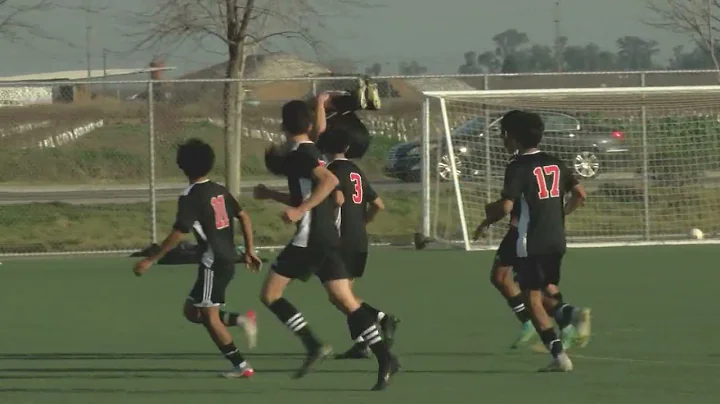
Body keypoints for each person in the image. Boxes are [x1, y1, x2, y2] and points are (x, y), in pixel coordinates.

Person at [253, 100, 400, 391]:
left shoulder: (302, 156)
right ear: (309, 126)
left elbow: (329, 182)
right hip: (329, 237)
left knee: (270, 295)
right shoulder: (315, 152)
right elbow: (332, 194)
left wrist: (299, 211)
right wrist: (274, 195)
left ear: (283, 126)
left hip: (309, 238)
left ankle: (313, 345)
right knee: (346, 301)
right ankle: (386, 358)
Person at [133, 138, 263, 378]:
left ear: (182, 166)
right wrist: (250, 250)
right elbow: (244, 216)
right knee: (191, 312)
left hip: (213, 262)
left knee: (209, 317)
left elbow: (179, 232)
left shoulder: (190, 196)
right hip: (226, 258)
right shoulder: (219, 189)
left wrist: (152, 259)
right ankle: (242, 320)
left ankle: (241, 366)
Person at [476, 111, 590, 371]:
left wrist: (485, 220)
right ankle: (570, 315)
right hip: (556, 239)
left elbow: (506, 207)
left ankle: (559, 356)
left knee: (532, 299)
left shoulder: (517, 166)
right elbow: (580, 194)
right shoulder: (556, 162)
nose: (502, 139)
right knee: (543, 289)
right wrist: (561, 214)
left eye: (504, 134)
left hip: (531, 241)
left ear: (513, 137)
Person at [318, 129, 401, 360]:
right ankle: (362, 343)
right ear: (347, 148)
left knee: (340, 297)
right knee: (345, 296)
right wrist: (364, 221)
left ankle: (381, 318)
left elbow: (332, 202)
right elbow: (378, 205)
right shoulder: (356, 171)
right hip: (359, 240)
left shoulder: (329, 173)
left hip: (340, 240)